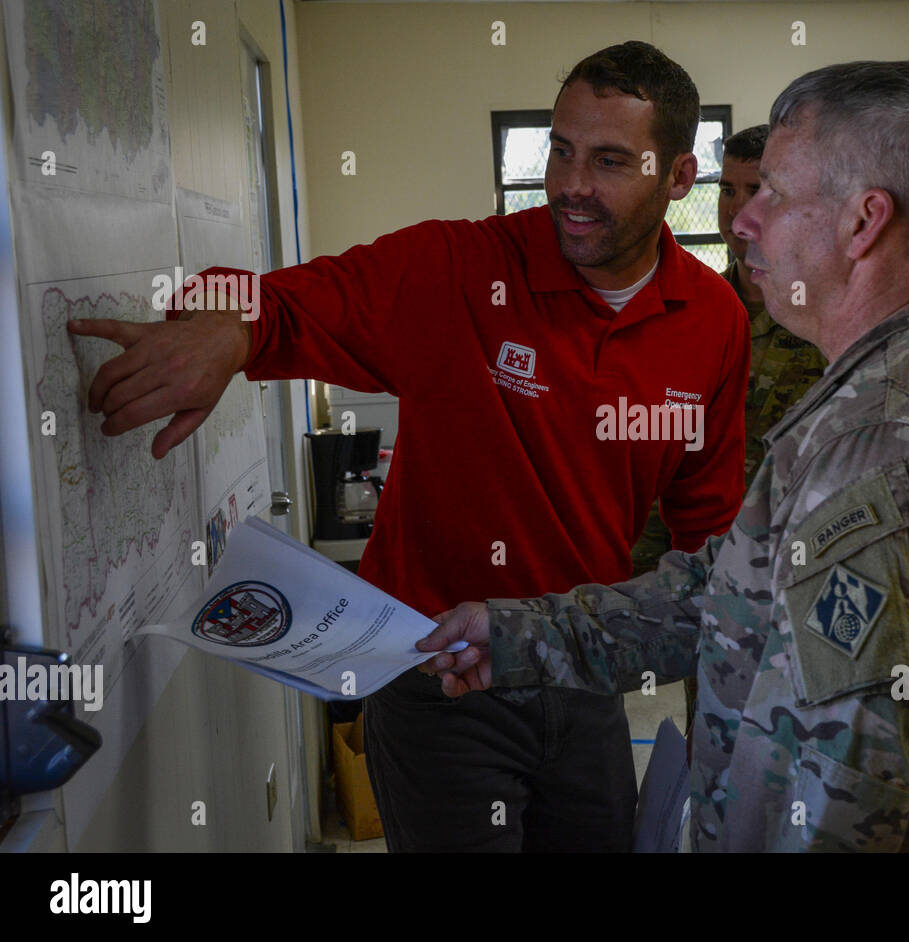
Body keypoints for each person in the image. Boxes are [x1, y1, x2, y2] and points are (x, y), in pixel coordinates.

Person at [69, 41, 751, 852]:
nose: (570, 185)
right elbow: (299, 302)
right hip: (439, 678)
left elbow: (710, 534)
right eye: (560, 151)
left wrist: (728, 714)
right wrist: (231, 327)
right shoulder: (459, 269)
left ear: (678, 176)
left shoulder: (713, 320)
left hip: (581, 675)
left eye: (608, 161)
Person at [422, 61, 909, 853]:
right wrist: (524, 634)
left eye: (774, 192)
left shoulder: (884, 437)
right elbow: (737, 589)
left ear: (863, 222)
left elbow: (838, 800)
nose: (742, 221)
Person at [630, 124, 826, 740]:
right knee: (715, 747)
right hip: (711, 578)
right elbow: (667, 458)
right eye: (727, 190)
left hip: (805, 588)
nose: (738, 209)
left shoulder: (822, 318)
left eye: (757, 189)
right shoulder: (691, 311)